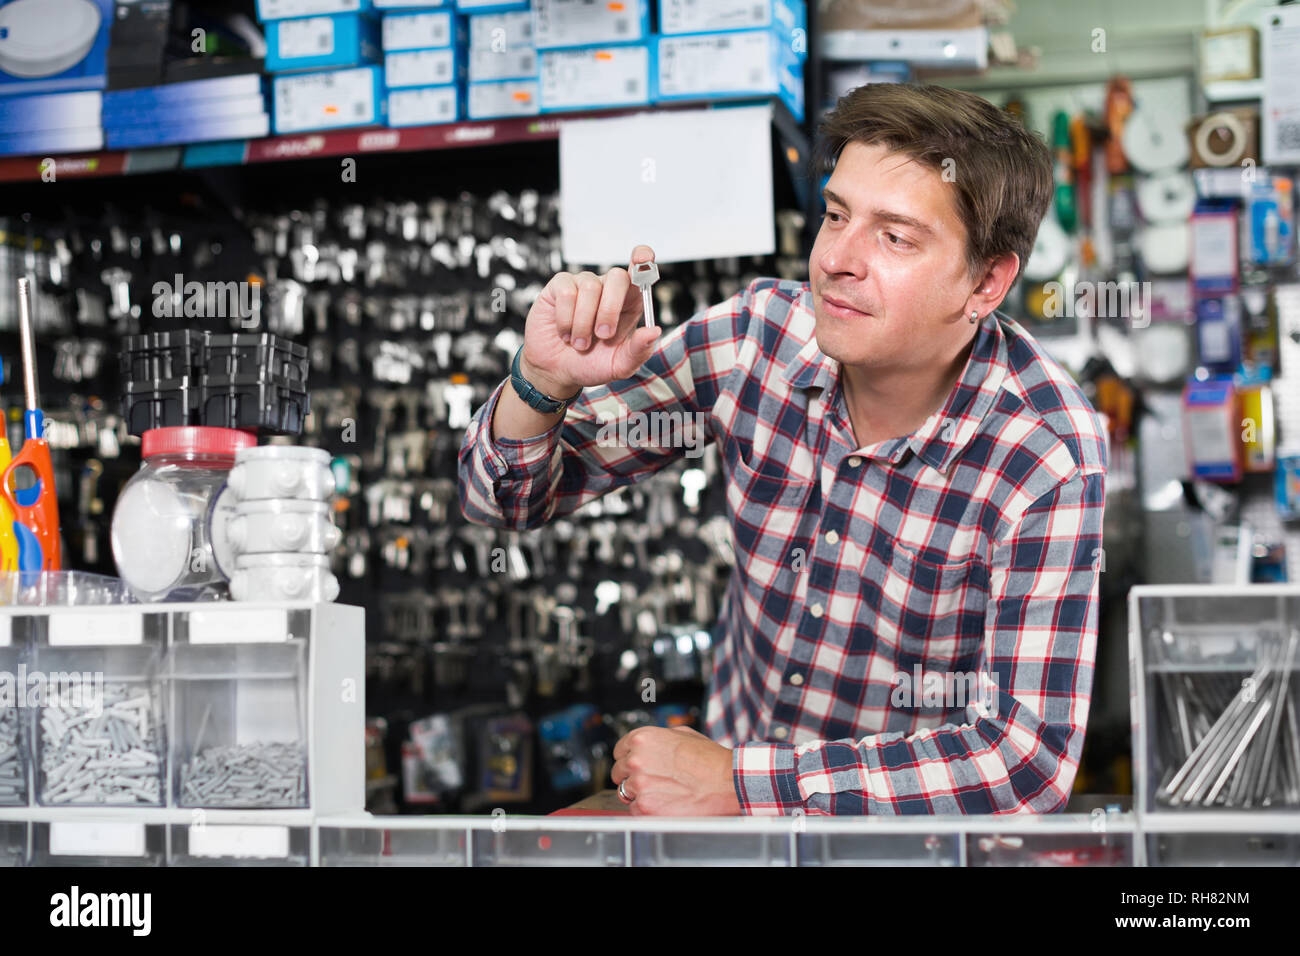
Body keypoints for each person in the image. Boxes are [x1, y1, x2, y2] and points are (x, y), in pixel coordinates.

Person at [457, 83, 1107, 815]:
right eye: (836, 216)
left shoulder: (1045, 455)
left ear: (986, 283)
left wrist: (741, 782)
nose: (837, 259)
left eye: (894, 237)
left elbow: (1025, 764)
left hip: (907, 846)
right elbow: (503, 500)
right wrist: (541, 382)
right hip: (728, 820)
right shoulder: (757, 339)